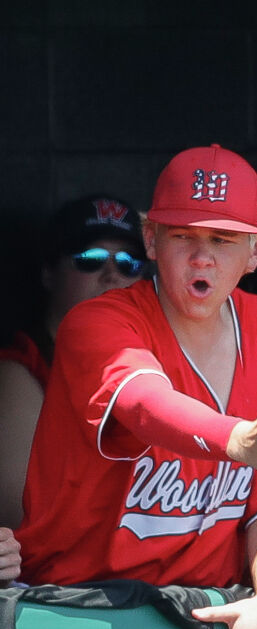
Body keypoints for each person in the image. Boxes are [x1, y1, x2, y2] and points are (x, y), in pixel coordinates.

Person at [17, 146, 257, 629]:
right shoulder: (98, 320)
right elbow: (146, 404)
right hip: (78, 610)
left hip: (206, 614)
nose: (201, 258)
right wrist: (237, 440)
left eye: (222, 240)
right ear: (150, 240)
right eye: (183, 237)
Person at [1, 195, 150, 527]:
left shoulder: (158, 363)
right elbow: (19, 512)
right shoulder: (22, 368)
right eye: (90, 258)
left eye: (129, 263)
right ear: (49, 273)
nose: (112, 274)